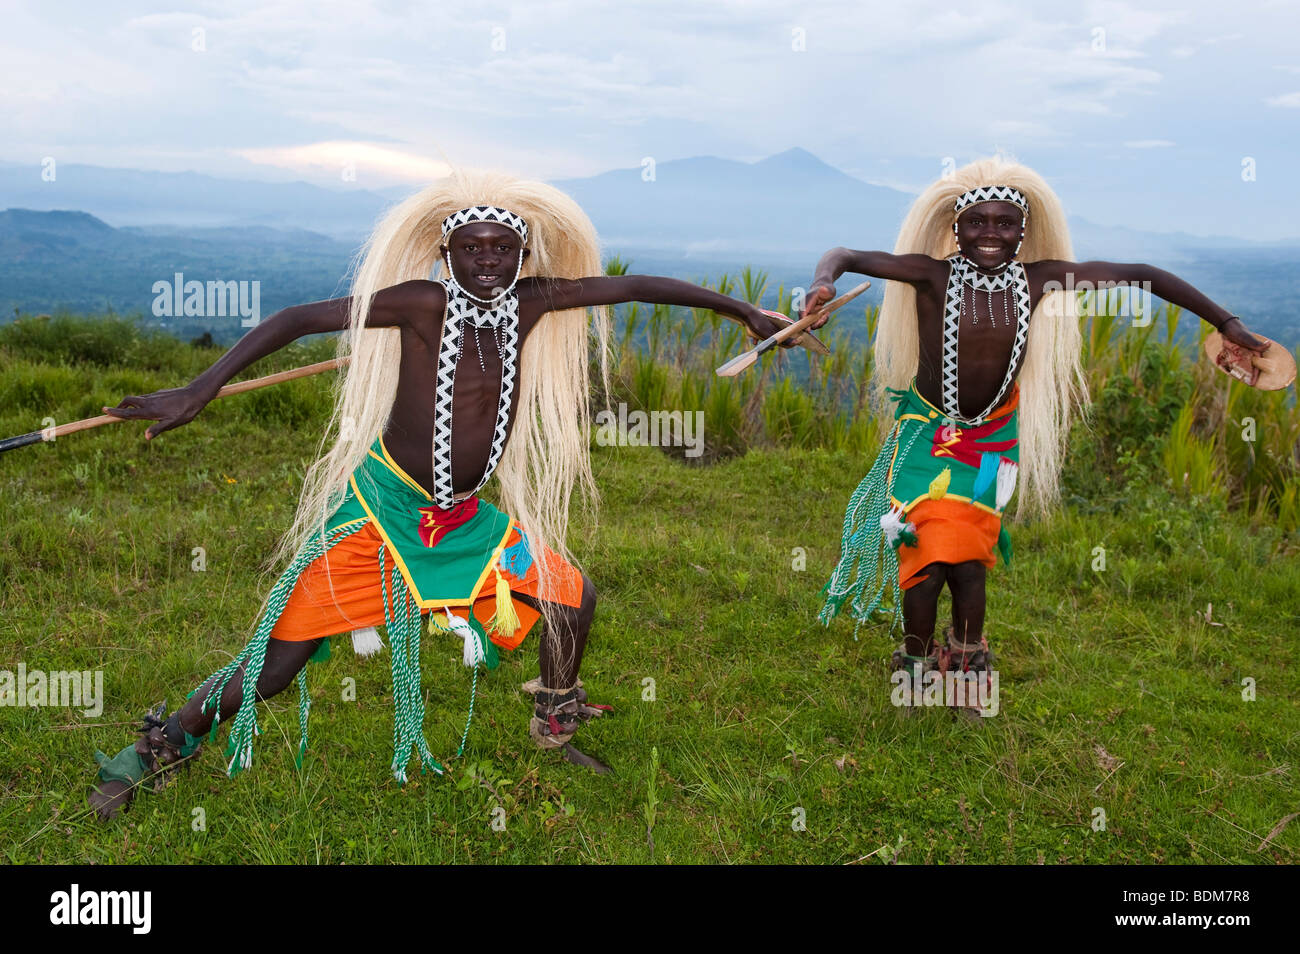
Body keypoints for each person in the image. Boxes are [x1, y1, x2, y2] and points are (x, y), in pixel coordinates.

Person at [88, 169, 788, 818]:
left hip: (457, 520)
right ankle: (163, 742)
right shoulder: (422, 305)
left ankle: (555, 724)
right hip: (379, 513)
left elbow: (639, 289)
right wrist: (200, 387)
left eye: (503, 249)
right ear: (445, 254)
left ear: (525, 256)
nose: (488, 261)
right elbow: (300, 319)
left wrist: (744, 312)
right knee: (279, 661)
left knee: (572, 597)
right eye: (472, 248)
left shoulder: (536, 303)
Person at [803, 158, 1267, 713]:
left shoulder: (1040, 279)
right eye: (978, 222)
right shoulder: (932, 274)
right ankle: (916, 669)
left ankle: (968, 672)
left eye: (1005, 223)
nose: (992, 234)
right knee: (924, 568)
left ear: (1023, 230)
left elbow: (1145, 273)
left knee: (971, 565)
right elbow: (847, 255)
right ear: (957, 227)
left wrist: (1226, 321)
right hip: (929, 438)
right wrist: (823, 282)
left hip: (996, 441)